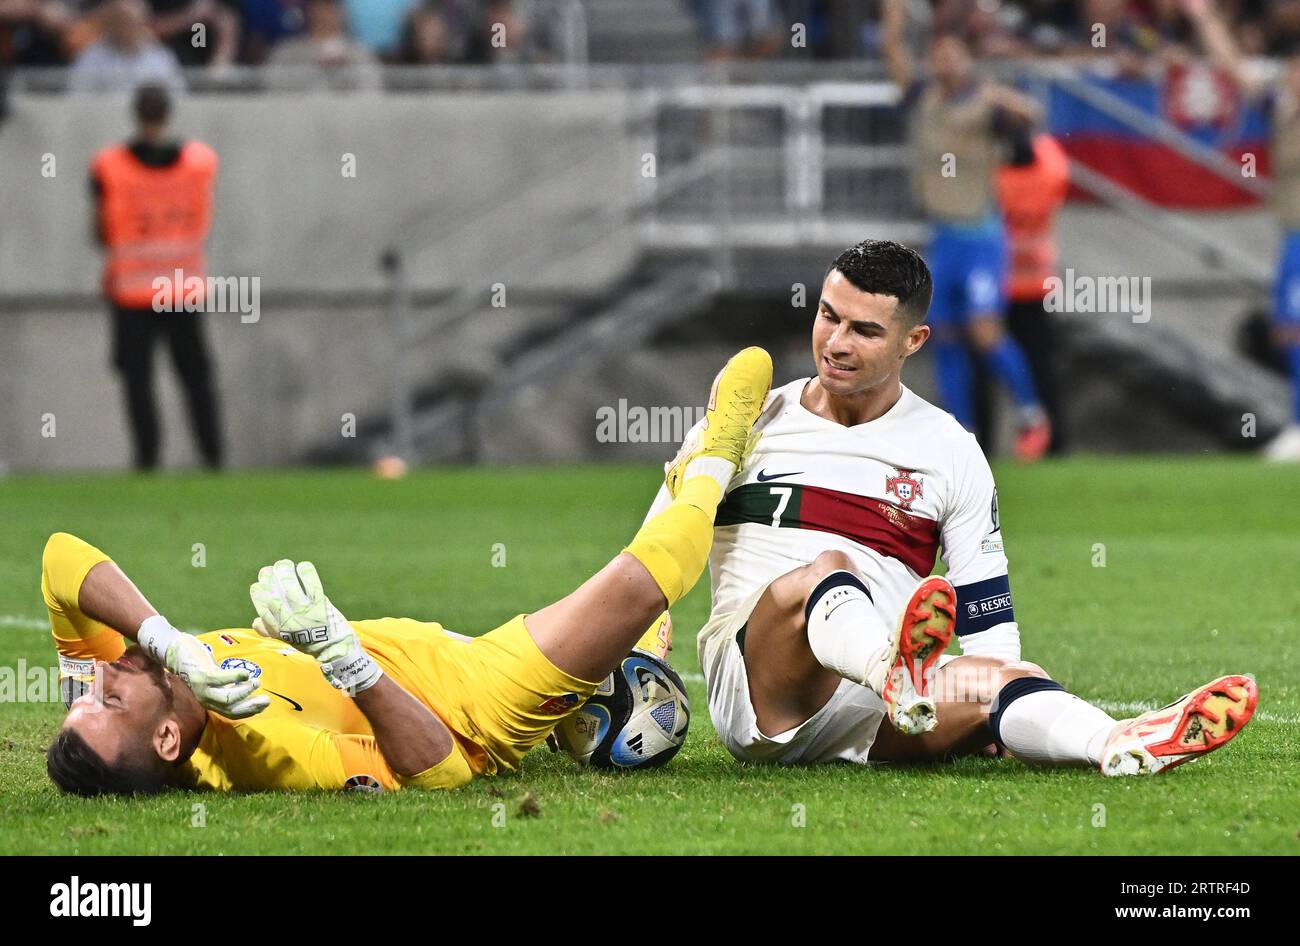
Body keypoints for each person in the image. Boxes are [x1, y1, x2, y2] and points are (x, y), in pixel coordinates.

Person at [43, 348, 774, 795]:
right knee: (641, 586)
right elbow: (439, 774)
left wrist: (167, 640)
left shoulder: (149, 670)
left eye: (89, 688)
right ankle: (716, 456)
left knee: (624, 614)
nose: (101, 679)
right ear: (168, 743)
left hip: (435, 644)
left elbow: (59, 559)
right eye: (106, 702)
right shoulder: (266, 754)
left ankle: (598, 682)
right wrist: (339, 655)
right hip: (476, 702)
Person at [649, 239, 1256, 776]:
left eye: (864, 330)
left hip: (887, 714)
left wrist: (989, 712)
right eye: (828, 317)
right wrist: (638, 656)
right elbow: (655, 551)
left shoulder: (949, 450)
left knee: (1005, 682)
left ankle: (1124, 742)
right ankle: (889, 664)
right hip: (762, 698)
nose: (835, 343)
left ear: (914, 341)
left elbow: (988, 617)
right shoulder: (746, 424)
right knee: (825, 569)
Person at [882, 0, 1052, 461]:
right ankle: (964, 431)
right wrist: (894, 11)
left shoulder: (986, 105)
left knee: (985, 331)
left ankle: (1032, 414)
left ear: (968, 59)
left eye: (954, 54)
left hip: (981, 236)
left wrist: (1002, 95)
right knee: (944, 334)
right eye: (939, 54)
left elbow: (1033, 116)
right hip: (943, 237)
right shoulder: (923, 100)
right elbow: (893, 48)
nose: (945, 61)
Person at [1183, 0, 1300, 461]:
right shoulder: (1282, 113)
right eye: (1291, 73)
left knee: (1292, 327)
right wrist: (1206, 20)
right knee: (1287, 328)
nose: (1293, 81)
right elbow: (1235, 72)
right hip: (1291, 233)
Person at [90, 83, 224, 470]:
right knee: (196, 377)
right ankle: (212, 456)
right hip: (181, 287)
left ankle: (147, 460)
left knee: (138, 382)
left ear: (135, 114)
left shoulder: (109, 166)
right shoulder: (200, 162)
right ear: (168, 113)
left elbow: (99, 230)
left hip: (131, 290)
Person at [984, 128, 1071, 455]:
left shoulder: (997, 180)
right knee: (1042, 365)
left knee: (987, 362)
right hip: (1037, 281)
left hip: (996, 284)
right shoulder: (1050, 171)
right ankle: (1056, 441)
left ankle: (983, 441)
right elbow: (1047, 147)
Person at [67, 0, 184, 92]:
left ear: (143, 24)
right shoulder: (91, 57)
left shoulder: (161, 58)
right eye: (122, 22)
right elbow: (75, 97)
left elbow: (179, 98)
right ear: (111, 23)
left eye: (132, 23)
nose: (126, 29)